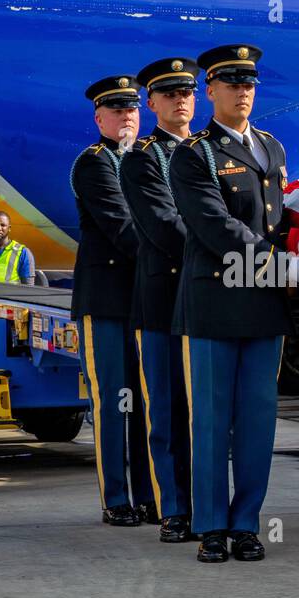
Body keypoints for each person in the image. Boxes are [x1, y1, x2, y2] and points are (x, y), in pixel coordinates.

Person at [170, 43, 299, 563]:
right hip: (215, 304)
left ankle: (246, 522)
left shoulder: (271, 149)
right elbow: (215, 226)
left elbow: (279, 220)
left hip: (264, 307)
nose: (243, 91)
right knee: (211, 419)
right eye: (231, 83)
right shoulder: (194, 154)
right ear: (211, 90)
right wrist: (281, 264)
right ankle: (210, 525)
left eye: (249, 83)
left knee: (257, 420)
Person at [119, 56, 198, 542]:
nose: (179, 100)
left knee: (204, 411)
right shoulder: (143, 157)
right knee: (167, 409)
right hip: (165, 297)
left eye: (186, 91)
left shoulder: (212, 150)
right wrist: (226, 249)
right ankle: (173, 508)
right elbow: (165, 227)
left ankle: (206, 503)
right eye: (168, 94)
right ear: (152, 103)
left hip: (210, 297)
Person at [71, 75, 155, 528]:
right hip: (106, 300)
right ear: (99, 118)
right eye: (118, 111)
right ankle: (116, 497)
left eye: (133, 110)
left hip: (141, 297)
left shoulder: (146, 159)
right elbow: (123, 227)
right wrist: (173, 262)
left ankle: (147, 493)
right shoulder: (95, 164)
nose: (127, 117)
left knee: (143, 401)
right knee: (112, 402)